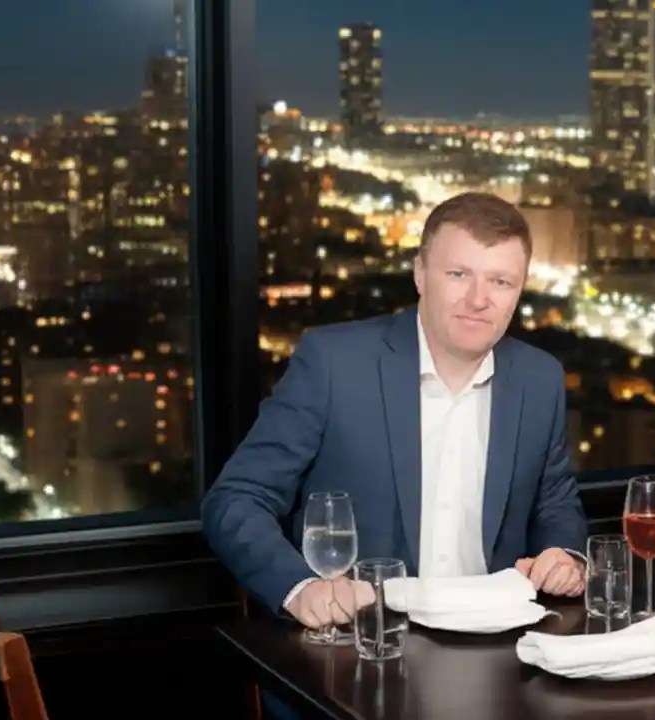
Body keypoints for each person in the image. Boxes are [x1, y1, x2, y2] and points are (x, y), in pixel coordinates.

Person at [202, 191, 589, 633]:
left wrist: (564, 553)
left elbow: (556, 501)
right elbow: (236, 499)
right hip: (363, 643)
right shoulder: (334, 364)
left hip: (499, 647)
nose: (479, 299)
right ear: (421, 274)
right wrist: (300, 587)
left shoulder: (539, 379)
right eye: (459, 274)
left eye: (501, 281)